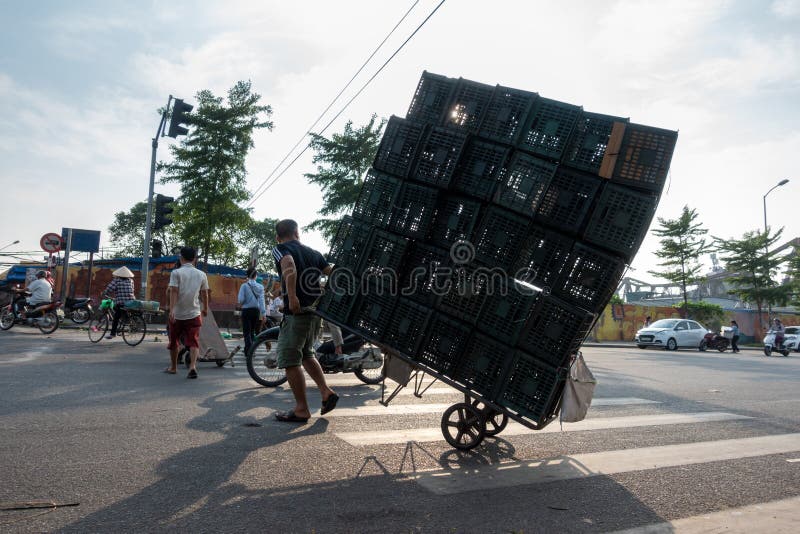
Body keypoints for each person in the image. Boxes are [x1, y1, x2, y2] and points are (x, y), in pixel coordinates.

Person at [272, 219, 337, 423]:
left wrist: (292, 297)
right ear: (297, 233)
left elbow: (289, 264)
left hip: (297, 313)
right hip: (313, 313)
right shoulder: (314, 253)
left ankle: (301, 409)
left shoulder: (280, 248)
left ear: (278, 236)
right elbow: (333, 274)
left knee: (290, 359)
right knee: (307, 354)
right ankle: (326, 392)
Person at [166, 247, 209, 379]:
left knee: (174, 342)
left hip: (178, 314)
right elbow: (205, 293)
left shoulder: (176, 273)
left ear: (181, 257)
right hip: (194, 313)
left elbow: (173, 291)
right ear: (194, 259)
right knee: (194, 342)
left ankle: (173, 367)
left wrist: (172, 310)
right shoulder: (201, 274)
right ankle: (192, 367)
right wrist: (205, 308)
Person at [238, 267, 266, 355]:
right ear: (256, 276)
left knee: (246, 332)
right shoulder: (260, 287)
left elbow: (240, 300)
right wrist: (264, 313)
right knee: (252, 332)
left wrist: (245, 301)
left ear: (247, 276)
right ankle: (249, 350)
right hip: (256, 311)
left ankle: (249, 351)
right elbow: (262, 301)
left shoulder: (244, 286)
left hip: (246, 311)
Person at [101, 266, 135, 339]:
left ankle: (113, 334)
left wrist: (103, 293)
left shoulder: (116, 280)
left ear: (119, 274)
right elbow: (132, 290)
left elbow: (109, 288)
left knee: (116, 317)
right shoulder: (131, 281)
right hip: (131, 301)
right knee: (121, 311)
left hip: (121, 302)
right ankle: (125, 319)